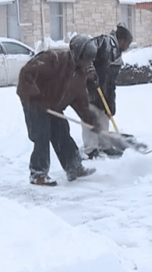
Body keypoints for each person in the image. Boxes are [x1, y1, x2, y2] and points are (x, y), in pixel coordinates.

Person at [16, 34, 101, 186]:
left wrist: (91, 121)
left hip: (53, 106)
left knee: (62, 131)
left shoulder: (80, 76)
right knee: (42, 135)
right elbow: (26, 74)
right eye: (87, 59)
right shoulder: (53, 59)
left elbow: (81, 103)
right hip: (34, 102)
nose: (89, 63)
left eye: (91, 59)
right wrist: (35, 96)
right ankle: (38, 174)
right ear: (78, 55)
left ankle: (73, 167)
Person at [82, 24, 134, 159]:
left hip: (102, 91)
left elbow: (112, 82)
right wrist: (90, 72)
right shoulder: (104, 42)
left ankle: (105, 145)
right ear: (121, 39)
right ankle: (90, 149)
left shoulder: (117, 56)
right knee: (90, 117)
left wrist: (111, 102)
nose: (128, 47)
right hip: (88, 87)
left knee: (104, 116)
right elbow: (86, 54)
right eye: (128, 43)